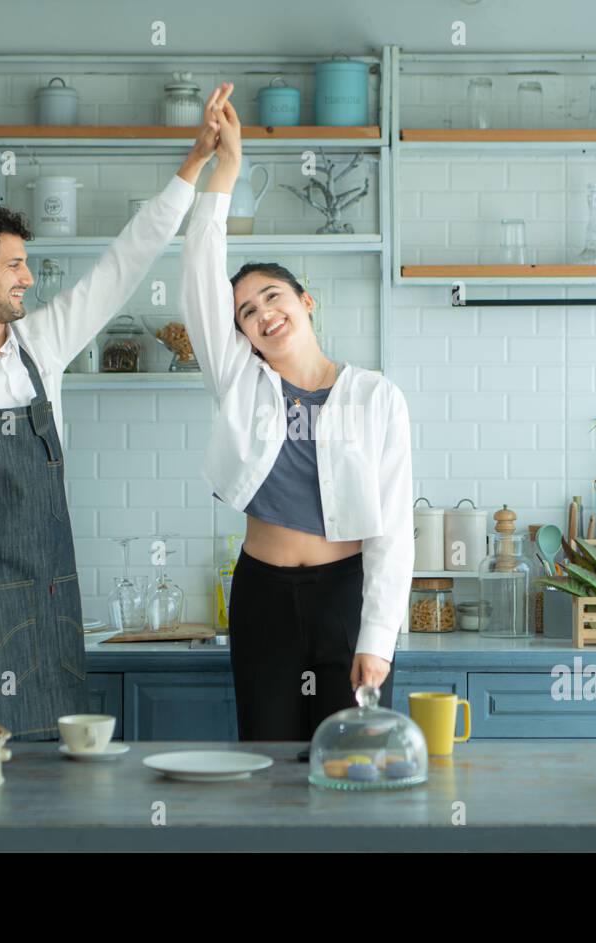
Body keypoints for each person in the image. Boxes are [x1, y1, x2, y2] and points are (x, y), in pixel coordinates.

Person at [0, 86, 234, 740]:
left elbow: (124, 262)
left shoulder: (42, 346)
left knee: (58, 800)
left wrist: (194, 165)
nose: (27, 278)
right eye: (13, 264)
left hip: (56, 621)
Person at [180, 93, 414, 742]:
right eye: (247, 313)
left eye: (272, 297)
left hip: (347, 595)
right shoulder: (240, 384)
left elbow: (393, 530)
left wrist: (380, 638)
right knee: (270, 770)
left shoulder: (377, 397)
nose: (262, 314)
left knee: (353, 763)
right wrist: (222, 171)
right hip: (263, 596)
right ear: (243, 335)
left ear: (306, 301)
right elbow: (199, 272)